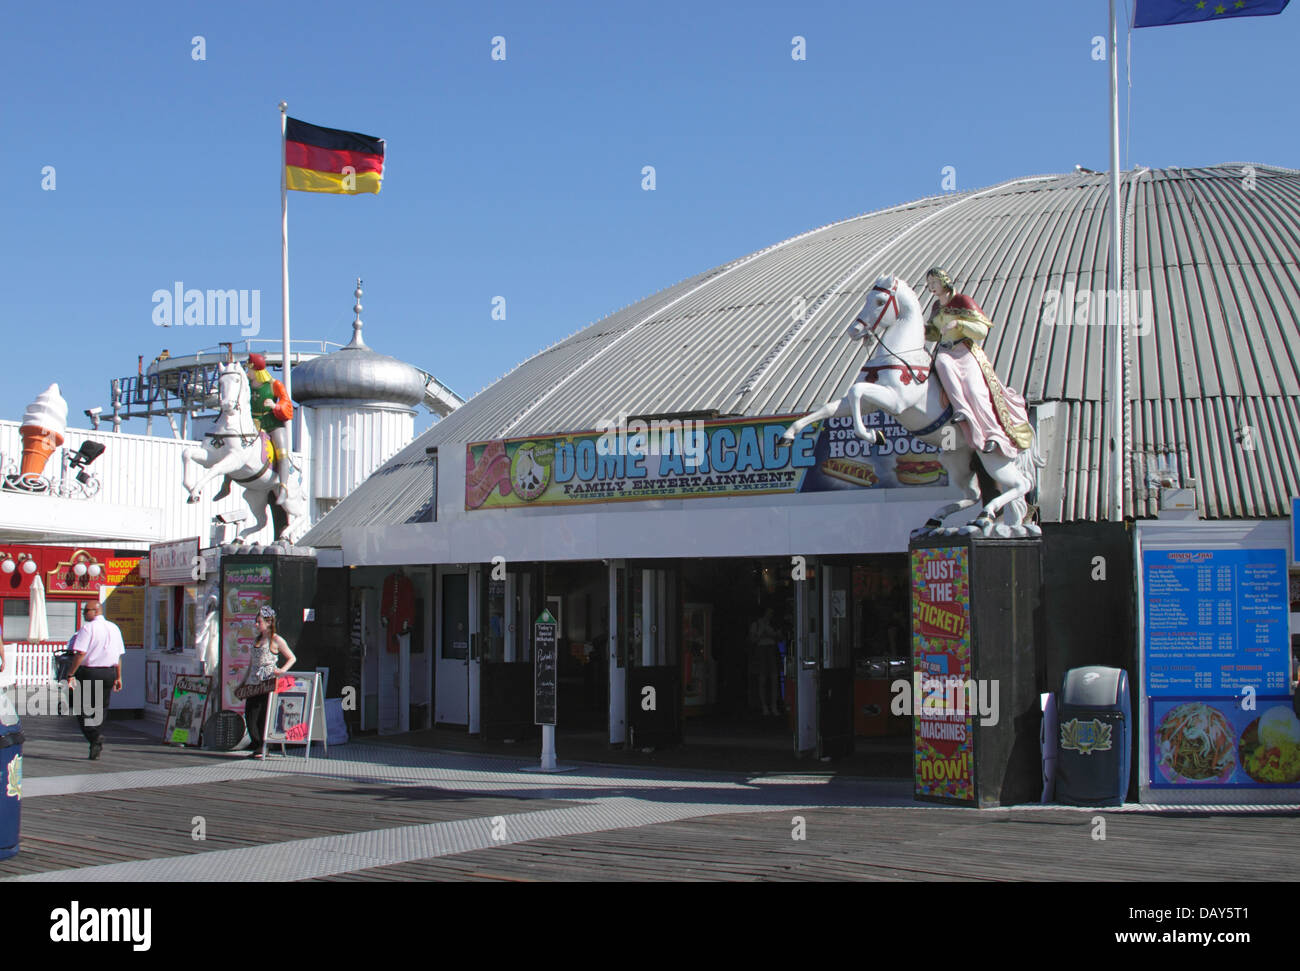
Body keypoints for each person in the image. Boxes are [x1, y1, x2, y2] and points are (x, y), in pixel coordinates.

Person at [924, 267, 1034, 459]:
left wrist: (959, 324)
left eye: (935, 282)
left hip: (964, 351)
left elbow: (982, 330)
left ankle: (994, 434)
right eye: (929, 283)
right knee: (942, 364)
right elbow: (934, 334)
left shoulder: (962, 301)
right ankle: (962, 410)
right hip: (945, 351)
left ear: (944, 281)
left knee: (976, 391)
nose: (932, 287)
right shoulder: (936, 308)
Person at [64, 601, 125, 760]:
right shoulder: (114, 628)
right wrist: (118, 676)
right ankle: (95, 742)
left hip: (90, 671)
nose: (84, 614)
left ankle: (94, 736)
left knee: (79, 706)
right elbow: (118, 656)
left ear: (95, 611)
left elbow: (80, 653)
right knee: (100, 708)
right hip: (109, 672)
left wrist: (70, 673)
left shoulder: (88, 628)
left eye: (86, 611)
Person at [243, 606, 296, 759]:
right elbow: (251, 663)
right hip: (254, 682)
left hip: (268, 682)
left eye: (258, 622)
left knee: (263, 714)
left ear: (268, 622)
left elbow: (292, 657)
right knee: (250, 714)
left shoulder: (276, 640)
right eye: (256, 621)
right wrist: (243, 681)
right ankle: (257, 742)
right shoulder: (257, 640)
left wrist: (282, 670)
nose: (256, 625)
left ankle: (263, 746)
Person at [245, 353, 294, 500]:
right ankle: (226, 482)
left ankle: (283, 486)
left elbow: (287, 402)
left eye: (249, 369)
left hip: (271, 422)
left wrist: (275, 406)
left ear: (257, 371)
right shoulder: (245, 385)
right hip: (252, 422)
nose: (247, 372)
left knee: (282, 450)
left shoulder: (274, 384)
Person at [747, 607, 779, 717]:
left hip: (771, 650)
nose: (770, 615)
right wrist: (762, 634)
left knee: (774, 679)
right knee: (763, 680)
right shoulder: (756, 624)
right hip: (761, 652)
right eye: (769, 612)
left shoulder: (773, 624)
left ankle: (773, 705)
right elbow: (752, 640)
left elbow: (779, 637)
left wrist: (773, 634)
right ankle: (765, 706)